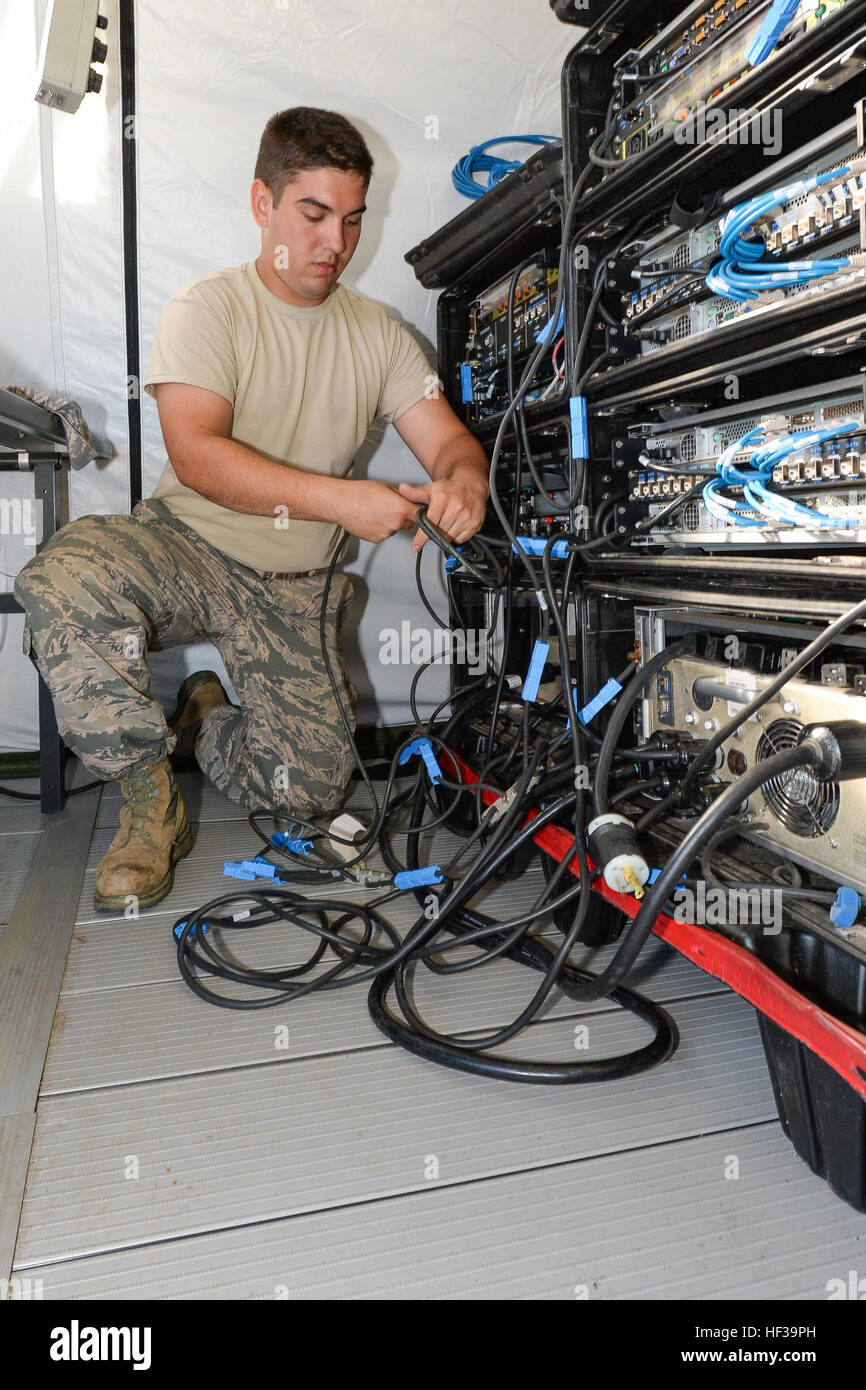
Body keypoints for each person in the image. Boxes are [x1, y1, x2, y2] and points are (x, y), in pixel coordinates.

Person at [14, 106, 489, 912]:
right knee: (63, 581)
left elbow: (451, 445)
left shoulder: (379, 334)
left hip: (294, 582)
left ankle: (205, 722)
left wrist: (463, 483)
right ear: (261, 203)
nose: (334, 244)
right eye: (312, 215)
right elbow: (199, 456)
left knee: (307, 791)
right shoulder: (210, 307)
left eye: (350, 220)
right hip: (185, 549)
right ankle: (147, 798)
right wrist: (344, 499)